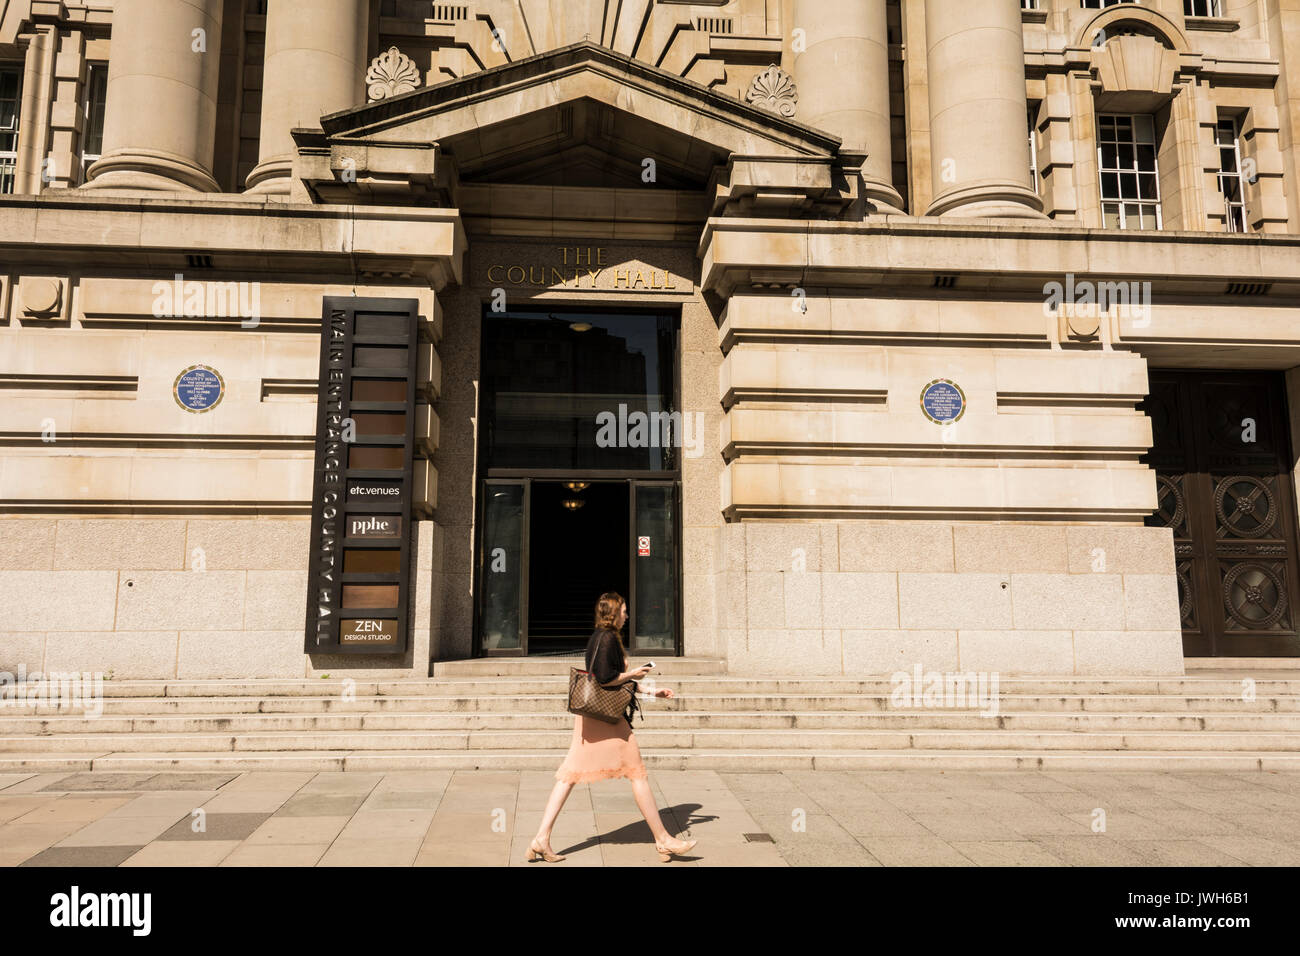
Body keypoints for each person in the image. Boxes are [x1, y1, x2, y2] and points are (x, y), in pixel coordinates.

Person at [526, 591, 698, 863]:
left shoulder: (601, 637)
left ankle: (541, 838)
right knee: (636, 773)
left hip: (593, 718)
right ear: (614, 613)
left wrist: (653, 691)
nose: (627, 615)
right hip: (605, 720)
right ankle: (663, 840)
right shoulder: (607, 639)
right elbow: (607, 679)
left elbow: (615, 682)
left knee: (570, 775)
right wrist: (634, 673)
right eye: (624, 611)